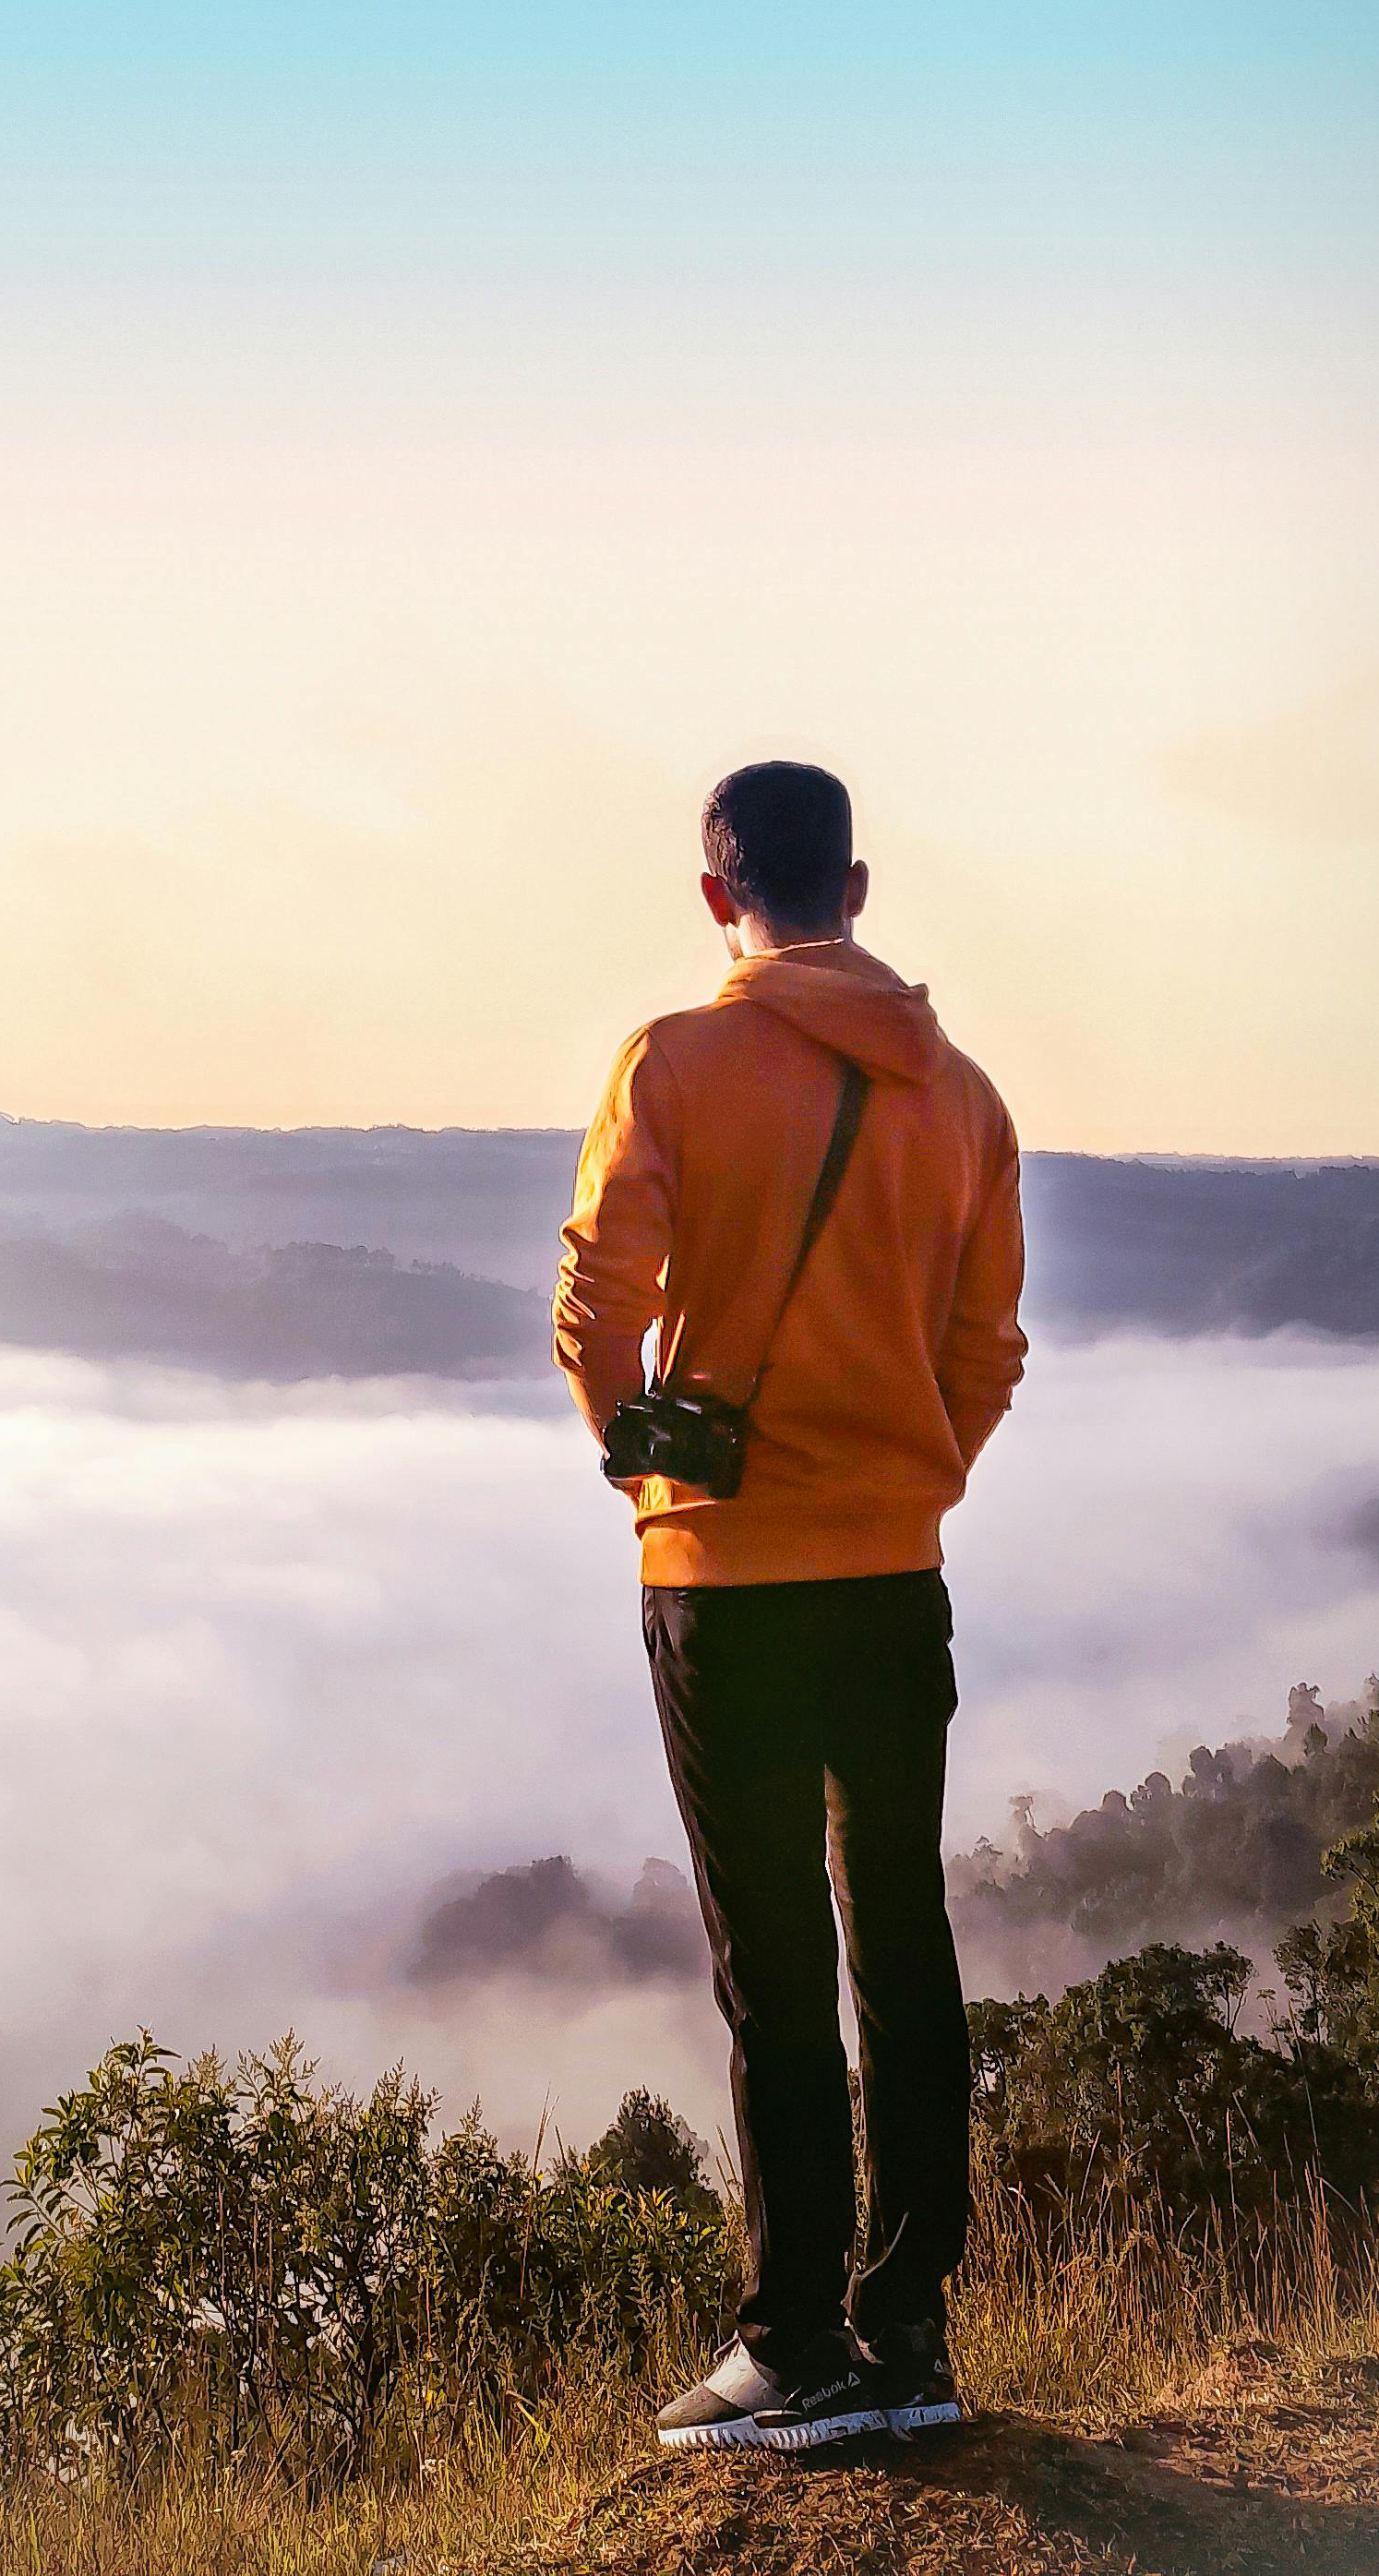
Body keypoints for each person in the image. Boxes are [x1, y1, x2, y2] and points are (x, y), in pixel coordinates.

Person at [554, 760, 1028, 2455]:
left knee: (774, 1966)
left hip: (726, 1578)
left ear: (715, 896)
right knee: (907, 1941)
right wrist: (911, 1476)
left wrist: (647, 1457)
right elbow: (986, 1350)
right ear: (862, 887)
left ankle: (791, 2343)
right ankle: (910, 2335)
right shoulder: (962, 1096)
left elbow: (597, 1301)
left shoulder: (672, 1064)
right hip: (896, 1572)